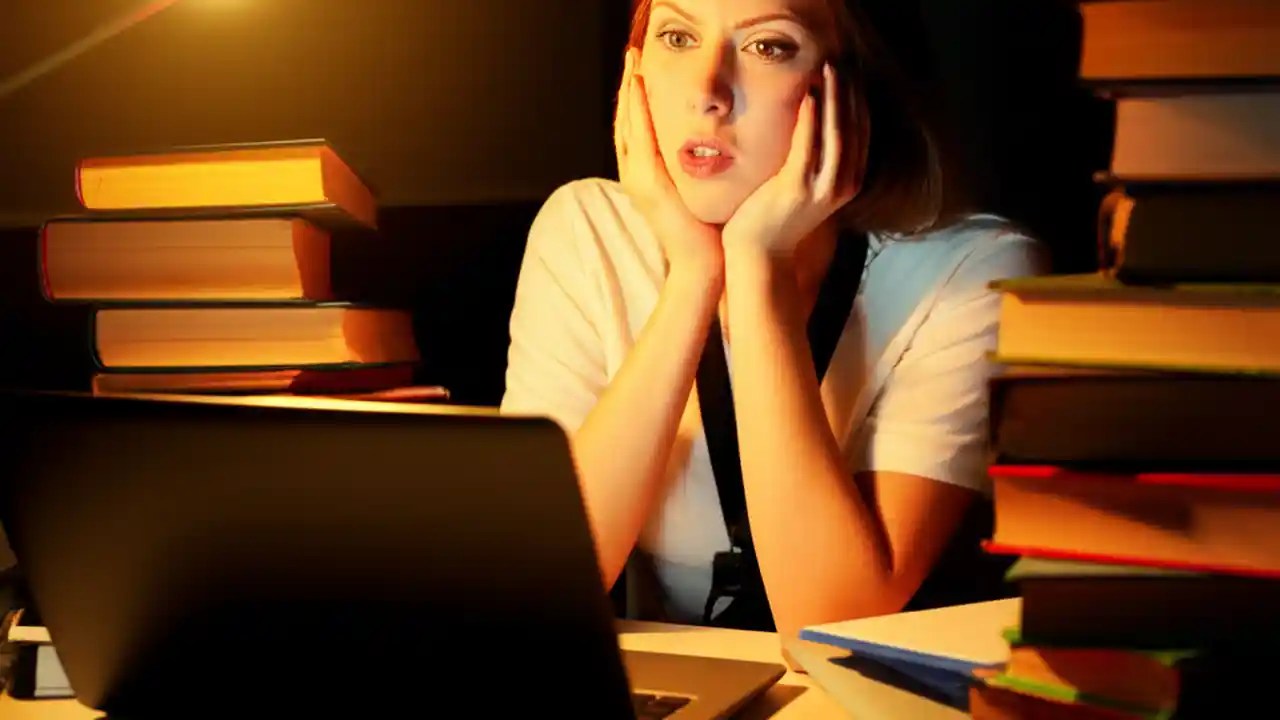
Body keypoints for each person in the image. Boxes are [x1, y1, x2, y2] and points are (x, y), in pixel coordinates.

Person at [499, 0, 1049, 644]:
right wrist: (694, 278)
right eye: (676, 36)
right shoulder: (585, 229)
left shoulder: (971, 270)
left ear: (851, 88)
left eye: (768, 47)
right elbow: (535, 582)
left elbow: (834, 618)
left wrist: (759, 265)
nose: (707, 92)